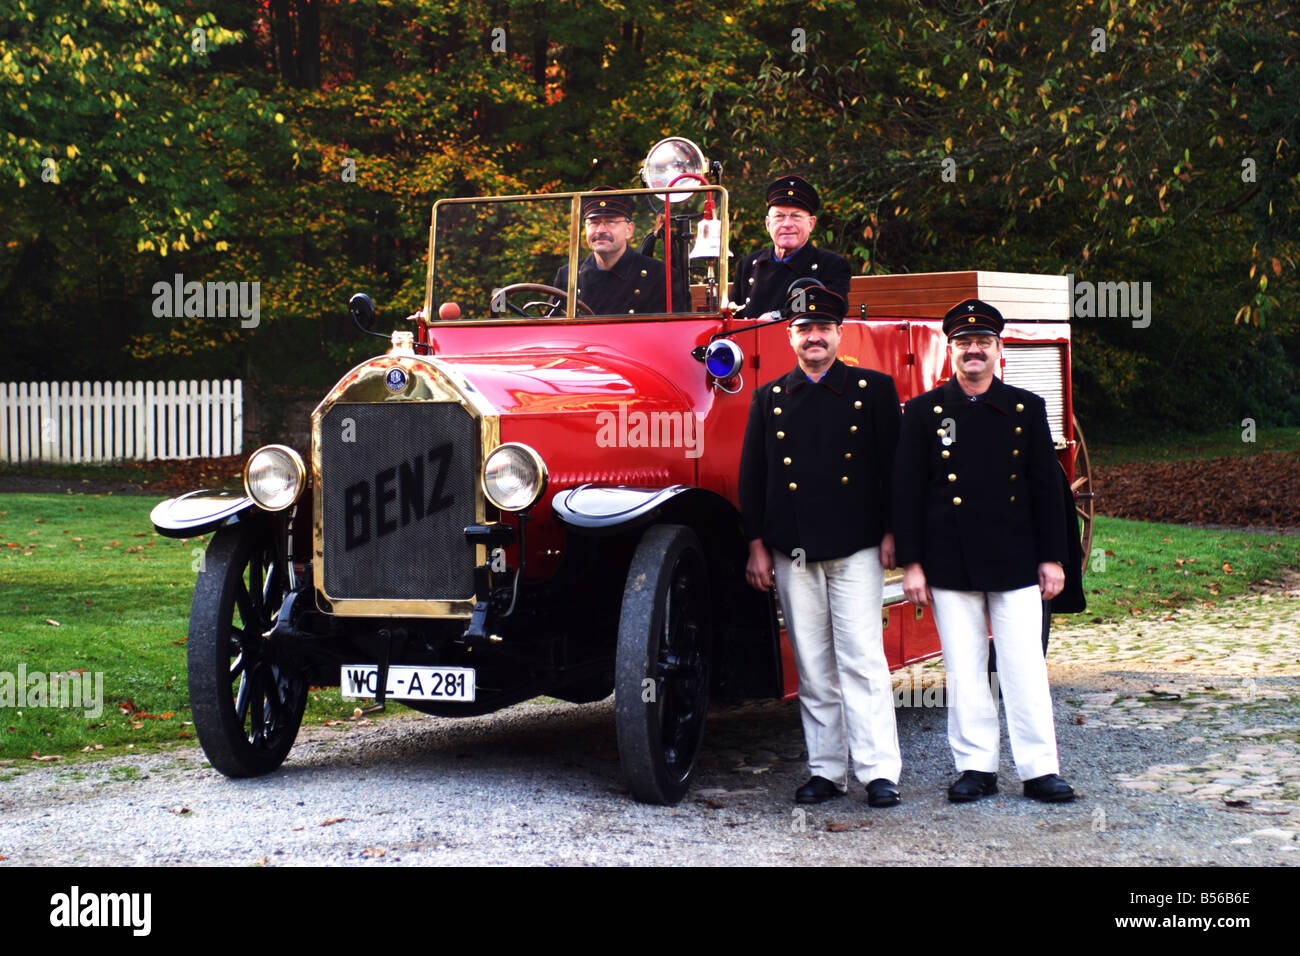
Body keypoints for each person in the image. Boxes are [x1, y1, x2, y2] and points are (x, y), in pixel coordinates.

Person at [892, 298, 1076, 803]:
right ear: (950, 349)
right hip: (949, 560)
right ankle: (976, 767)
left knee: (1023, 666)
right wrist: (912, 563)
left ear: (998, 349)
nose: (974, 350)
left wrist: (1053, 557)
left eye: (984, 342)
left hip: (1016, 557)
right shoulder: (924, 412)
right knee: (965, 667)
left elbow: (1045, 487)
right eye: (964, 342)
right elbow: (906, 491)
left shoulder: (1025, 407)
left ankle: (1040, 769)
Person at [738, 280, 903, 807]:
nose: (814, 337)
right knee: (812, 666)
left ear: (839, 333)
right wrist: (756, 545)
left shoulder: (873, 390)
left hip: (855, 548)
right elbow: (753, 477)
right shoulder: (769, 399)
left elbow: (894, 470)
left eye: (823, 329)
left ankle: (879, 773)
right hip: (792, 551)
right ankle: (827, 772)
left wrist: (894, 533)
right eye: (804, 328)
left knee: (861, 660)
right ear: (790, 336)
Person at [729, 175, 851, 319]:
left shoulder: (831, 265)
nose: (787, 224)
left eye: (796, 216)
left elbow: (831, 305)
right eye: (779, 216)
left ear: (811, 224)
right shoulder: (747, 265)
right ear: (768, 224)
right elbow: (733, 316)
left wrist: (778, 315)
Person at [552, 188, 669, 315]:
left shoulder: (659, 275)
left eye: (611, 222)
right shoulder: (569, 275)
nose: (600, 230)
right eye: (594, 223)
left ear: (629, 230)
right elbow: (551, 328)